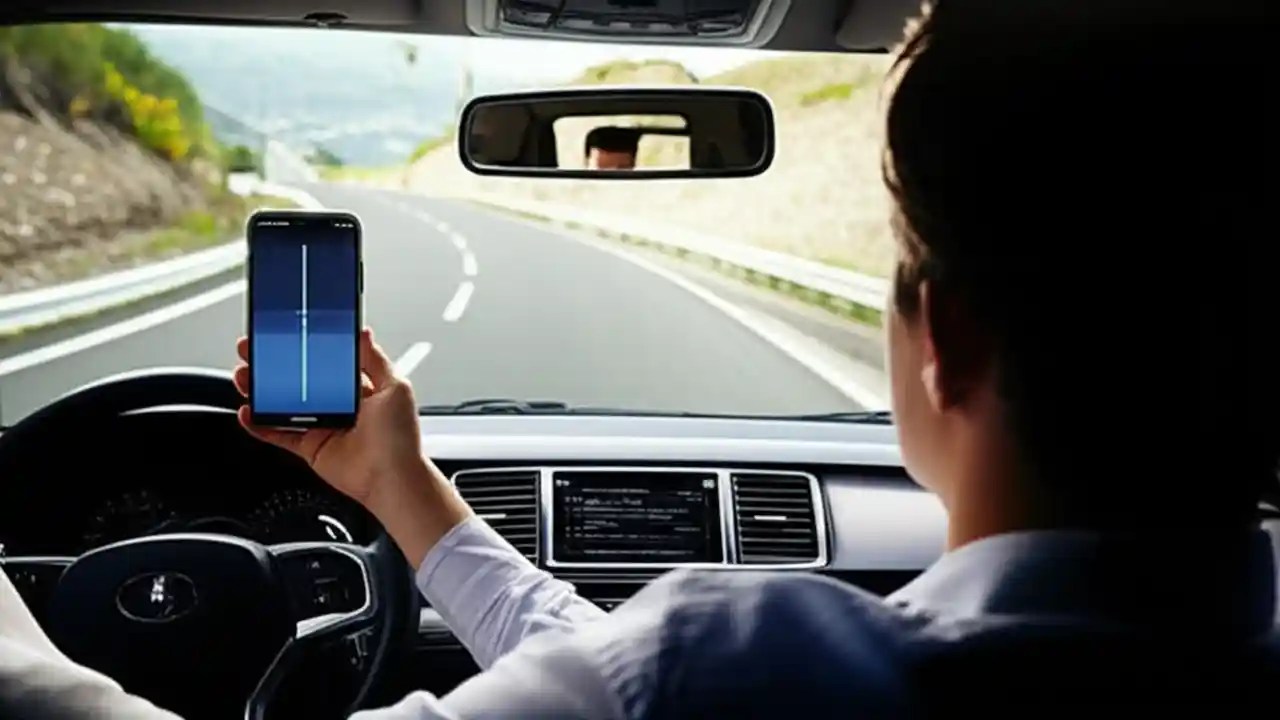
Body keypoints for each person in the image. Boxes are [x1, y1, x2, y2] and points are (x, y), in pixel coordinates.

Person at [1, 0, 1276, 717]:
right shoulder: (721, 671)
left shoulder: (727, 669)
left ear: (941, 336)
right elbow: (604, 671)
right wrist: (402, 491)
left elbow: (631, 684)